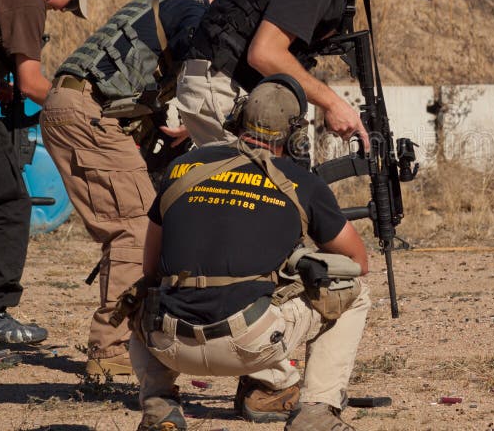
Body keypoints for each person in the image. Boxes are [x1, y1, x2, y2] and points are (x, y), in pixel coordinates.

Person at [130, 74, 370, 431]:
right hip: (249, 343)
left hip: (169, 342)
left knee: (143, 293)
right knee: (356, 295)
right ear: (295, 134)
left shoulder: (182, 167)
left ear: (238, 120)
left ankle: (159, 405)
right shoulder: (302, 182)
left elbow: (149, 269)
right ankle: (317, 413)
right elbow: (358, 262)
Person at [40, 0, 225, 375]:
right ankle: (110, 349)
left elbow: (140, 76)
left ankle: (125, 338)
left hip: (75, 107)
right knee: (135, 228)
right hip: (88, 114)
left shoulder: (169, 4)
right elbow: (201, 73)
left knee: (130, 223)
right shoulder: (194, 12)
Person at [176, 0, 435, 149]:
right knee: (254, 195)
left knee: (287, 188)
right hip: (221, 85)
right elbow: (264, 53)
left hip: (230, 89)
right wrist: (332, 103)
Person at [0, 0, 94, 344]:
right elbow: (32, 82)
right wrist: (77, 105)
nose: (65, 10)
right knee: (10, 201)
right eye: (71, 1)